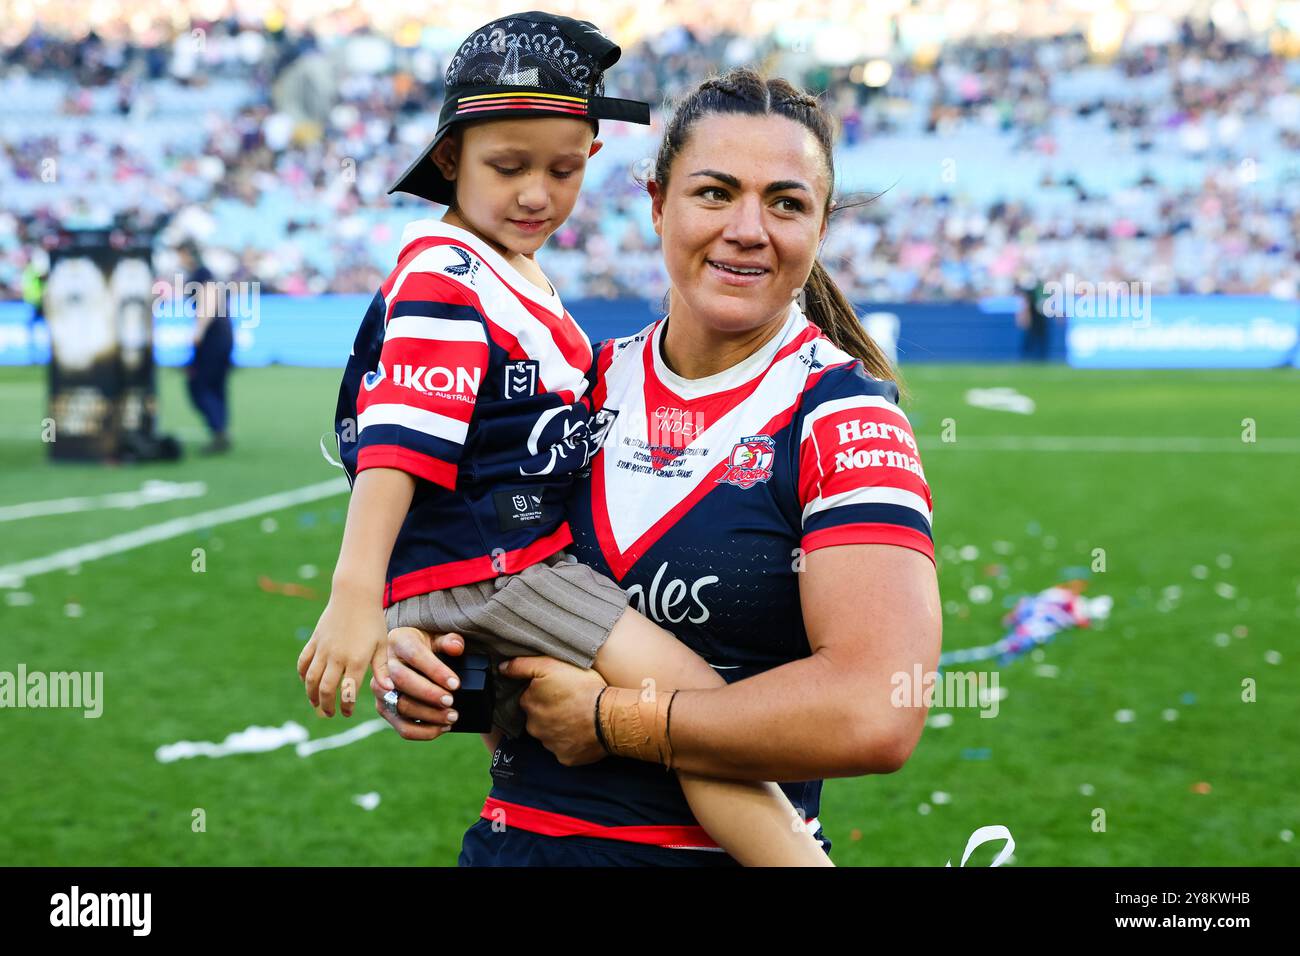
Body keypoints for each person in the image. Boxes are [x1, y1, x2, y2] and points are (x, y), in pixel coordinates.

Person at [371, 68, 943, 866]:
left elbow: (876, 711)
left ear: (820, 230)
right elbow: (497, 597)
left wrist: (618, 720)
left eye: (786, 203)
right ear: (656, 203)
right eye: (715, 192)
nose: (749, 228)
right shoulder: (573, 390)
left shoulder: (843, 416)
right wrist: (427, 663)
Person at [299, 15, 831, 866]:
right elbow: (402, 438)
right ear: (449, 161)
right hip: (506, 569)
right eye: (507, 167)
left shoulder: (512, 273)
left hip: (497, 578)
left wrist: (413, 632)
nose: (537, 195)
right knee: (694, 699)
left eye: (564, 168)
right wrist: (360, 594)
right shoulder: (447, 270)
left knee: (598, 710)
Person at [179, 241, 234, 453]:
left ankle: (218, 430)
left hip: (213, 338)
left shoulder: (202, 274)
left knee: (200, 385)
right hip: (222, 336)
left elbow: (209, 301)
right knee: (216, 386)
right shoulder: (205, 273)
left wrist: (198, 331)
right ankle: (219, 430)